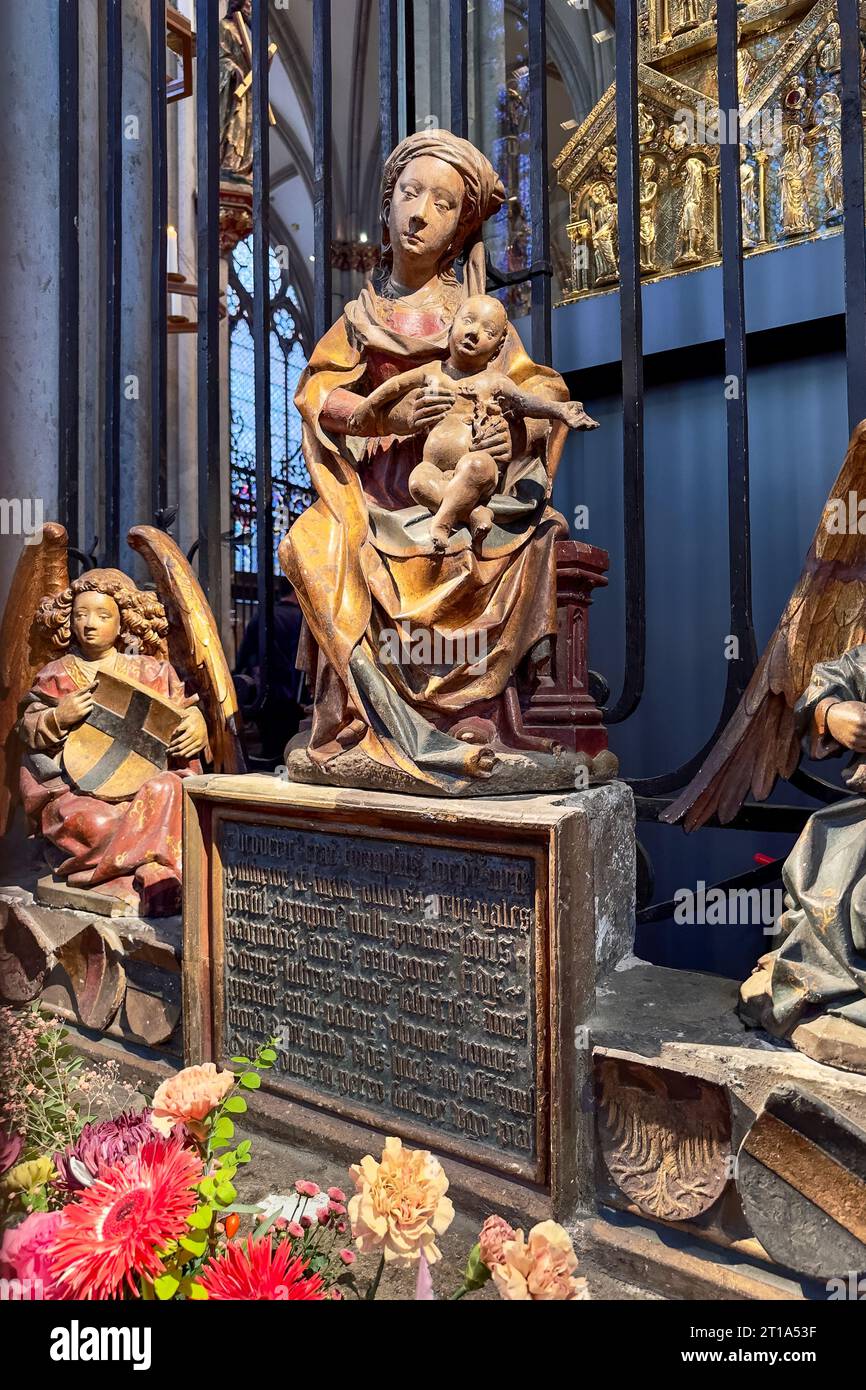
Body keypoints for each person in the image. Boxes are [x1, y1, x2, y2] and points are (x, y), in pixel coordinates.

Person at [279, 129, 582, 789]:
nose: (419, 214)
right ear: (388, 205)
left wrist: (514, 439)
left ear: (460, 228)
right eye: (410, 194)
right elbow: (317, 394)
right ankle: (379, 721)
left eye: (442, 204)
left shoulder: (475, 317)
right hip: (377, 492)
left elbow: (535, 389)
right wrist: (374, 415)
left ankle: (472, 715)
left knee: (530, 533)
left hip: (458, 490)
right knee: (311, 542)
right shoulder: (362, 317)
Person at [18, 571, 208, 916]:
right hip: (76, 790)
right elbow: (29, 728)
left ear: (123, 624)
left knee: (169, 789)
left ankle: (154, 869)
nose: (90, 624)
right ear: (69, 620)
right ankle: (128, 872)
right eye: (80, 615)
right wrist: (58, 717)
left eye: (103, 615)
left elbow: (183, 712)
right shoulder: (58, 673)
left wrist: (198, 724)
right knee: (98, 825)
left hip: (142, 784)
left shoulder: (151, 671)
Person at [348, 293, 597, 550]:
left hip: (477, 465)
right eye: (467, 322)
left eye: (488, 332)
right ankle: (473, 513)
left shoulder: (494, 381)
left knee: (477, 467)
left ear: (499, 348)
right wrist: (374, 411)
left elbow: (528, 400)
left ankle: (443, 522)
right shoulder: (424, 364)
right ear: (452, 325)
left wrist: (548, 417)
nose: (474, 334)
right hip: (403, 473)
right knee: (418, 482)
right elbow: (392, 386)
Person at [234, 576, 304, 761]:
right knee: (289, 752)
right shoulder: (300, 619)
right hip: (291, 696)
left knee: (268, 748)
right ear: (297, 590)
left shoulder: (262, 615)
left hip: (263, 694)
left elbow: (243, 654)